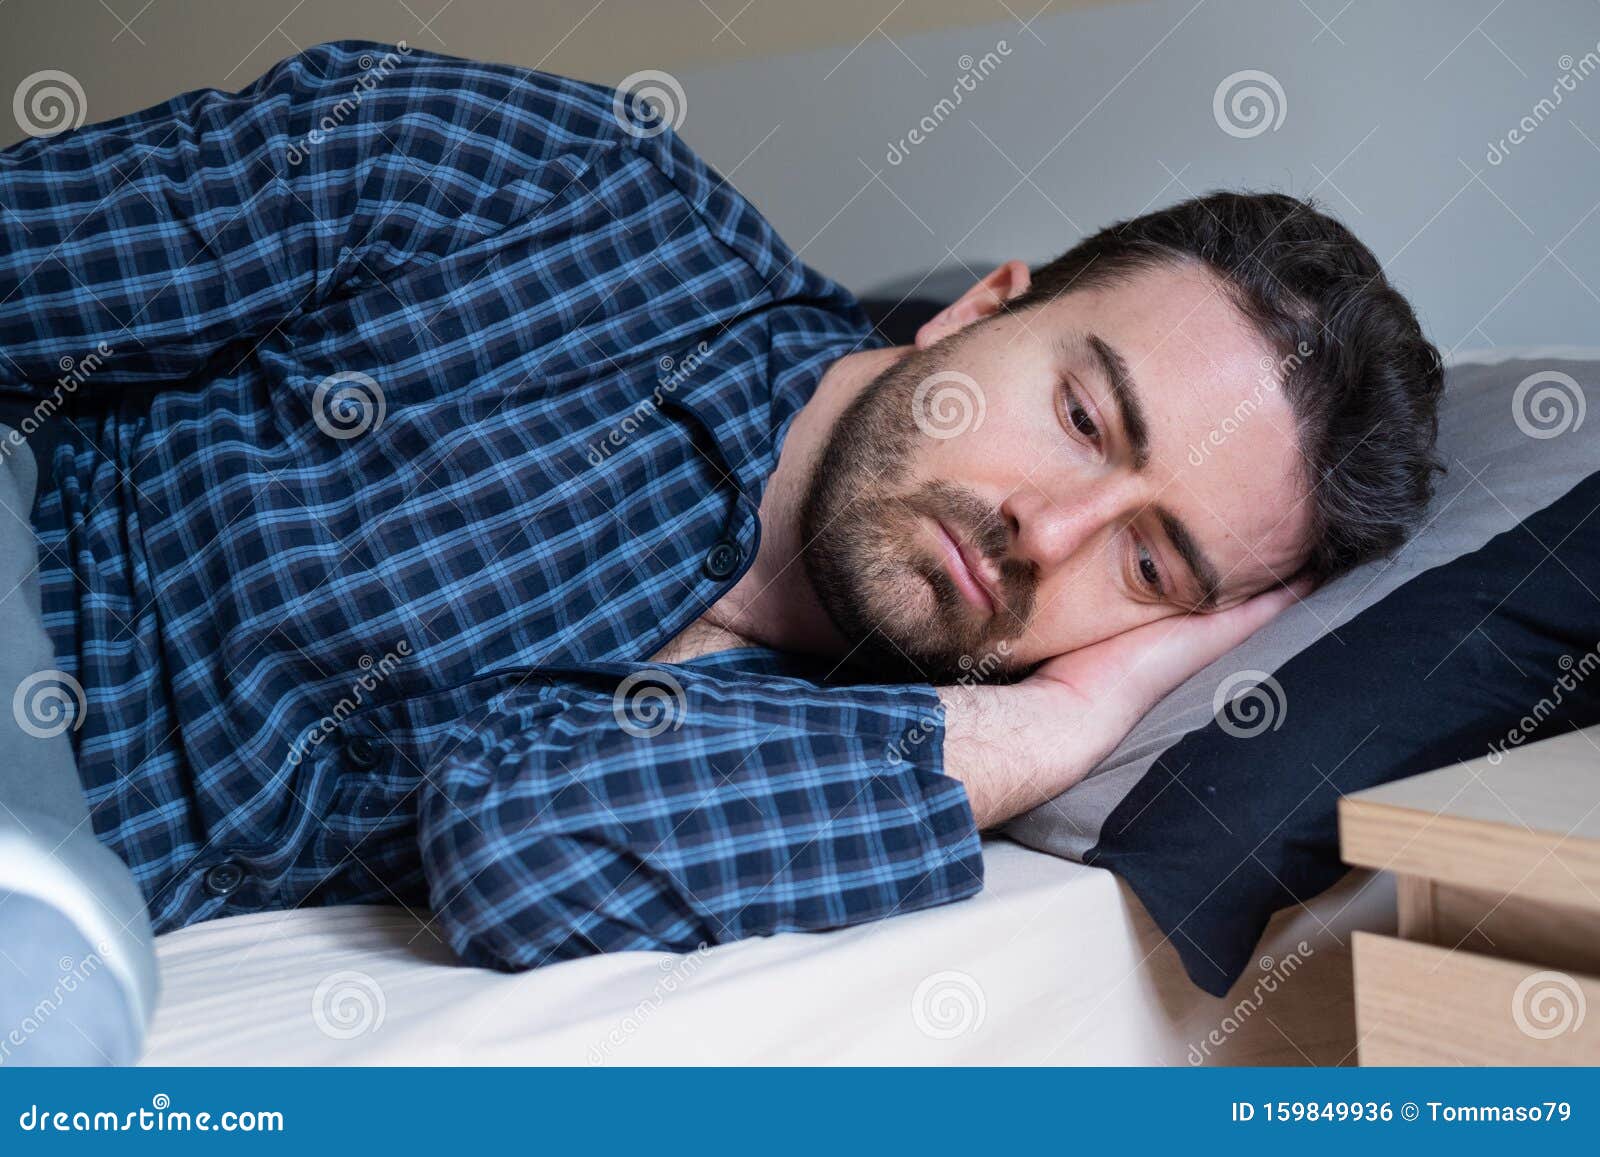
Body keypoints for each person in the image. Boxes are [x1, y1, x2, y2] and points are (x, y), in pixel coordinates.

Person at [0, 41, 1443, 1064]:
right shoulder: (540, 188)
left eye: (1148, 567)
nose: (1045, 532)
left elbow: (512, 847)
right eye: (1080, 414)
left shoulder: (858, 749)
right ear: (973, 310)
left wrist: (1070, 715)